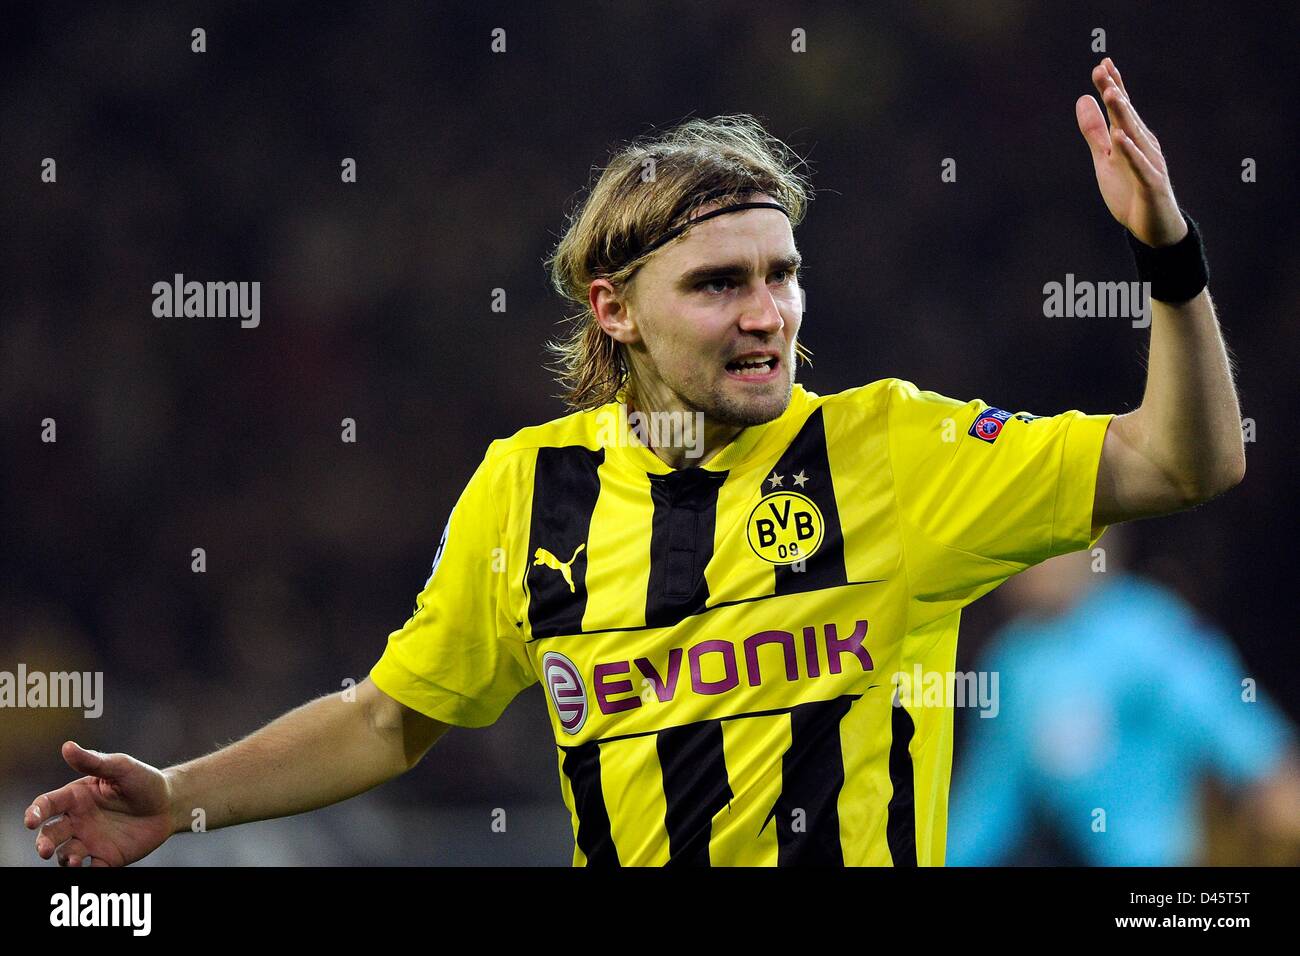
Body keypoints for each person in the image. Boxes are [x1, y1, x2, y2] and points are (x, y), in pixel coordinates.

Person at [26, 58, 1247, 866]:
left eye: (780, 274)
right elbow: (387, 718)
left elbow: (1184, 461)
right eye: (720, 283)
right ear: (613, 310)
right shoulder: (530, 485)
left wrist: (1169, 254)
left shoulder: (891, 445)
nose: (765, 310)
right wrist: (177, 797)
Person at [947, 526, 1300, 866]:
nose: (1039, 564)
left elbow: (1230, 722)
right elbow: (988, 803)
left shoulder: (1144, 628)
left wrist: (1268, 774)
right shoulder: (1012, 663)